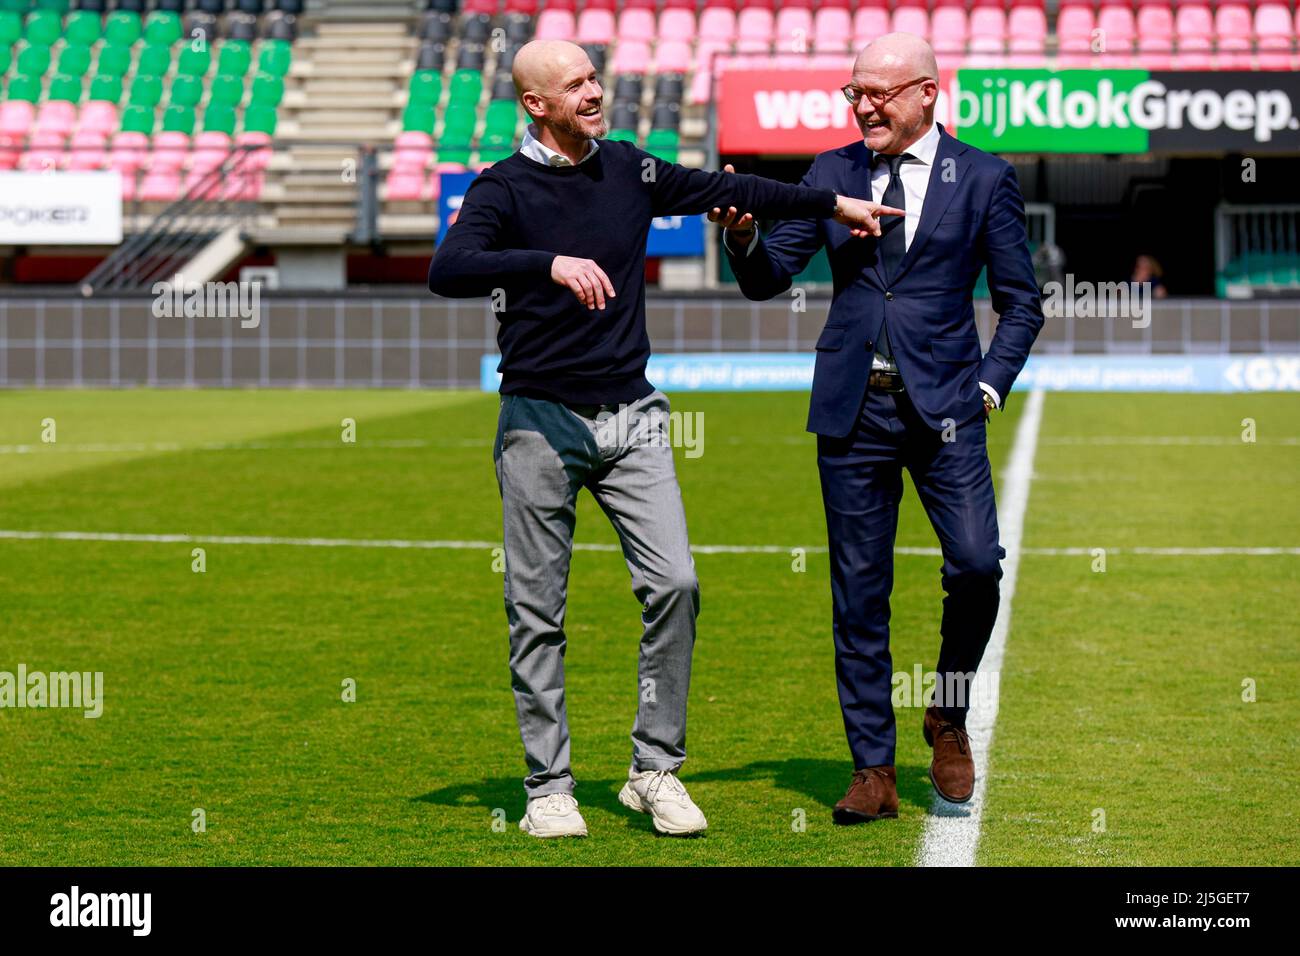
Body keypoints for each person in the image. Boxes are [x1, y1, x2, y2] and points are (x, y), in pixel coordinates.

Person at [428, 39, 898, 838]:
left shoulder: (632, 170)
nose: (595, 91)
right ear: (535, 104)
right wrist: (547, 264)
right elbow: (450, 267)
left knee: (676, 584)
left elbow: (731, 185)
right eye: (575, 84)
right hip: (539, 423)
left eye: (594, 78)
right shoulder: (501, 188)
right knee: (537, 610)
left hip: (634, 418)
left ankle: (654, 771)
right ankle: (549, 786)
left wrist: (832, 206)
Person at [712, 33, 1044, 823]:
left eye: (878, 93)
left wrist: (990, 389)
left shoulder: (987, 178)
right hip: (851, 409)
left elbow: (1022, 301)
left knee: (975, 566)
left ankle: (948, 715)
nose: (862, 106)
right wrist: (740, 235)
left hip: (951, 413)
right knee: (859, 594)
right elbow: (767, 280)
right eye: (852, 92)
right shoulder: (830, 173)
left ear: (928, 92)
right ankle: (872, 770)